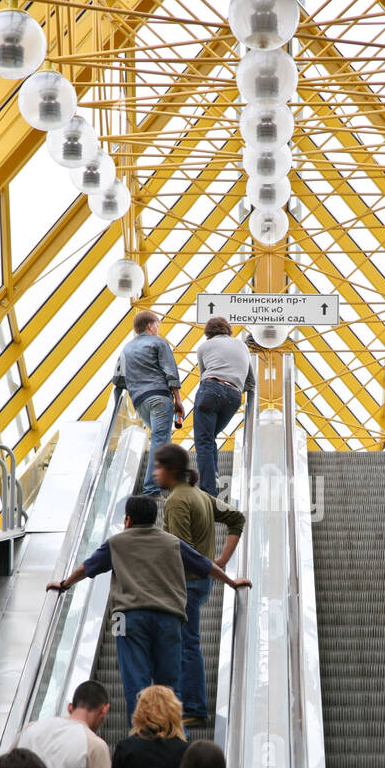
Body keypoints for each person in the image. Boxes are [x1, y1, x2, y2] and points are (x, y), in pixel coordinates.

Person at [46, 494, 251, 726]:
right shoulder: (172, 542)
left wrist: (64, 584)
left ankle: (142, 735)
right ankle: (172, 736)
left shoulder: (116, 543)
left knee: (136, 679)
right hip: (169, 617)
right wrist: (232, 582)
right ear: (155, 519)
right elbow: (205, 566)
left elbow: (88, 568)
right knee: (169, 684)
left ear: (128, 520)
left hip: (128, 617)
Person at [153, 442, 246, 724]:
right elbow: (236, 518)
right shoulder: (200, 495)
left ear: (170, 470)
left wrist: (217, 567)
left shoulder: (177, 501)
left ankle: (193, 706)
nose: (154, 473)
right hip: (199, 581)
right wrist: (220, 561)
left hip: (185, 583)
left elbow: (183, 550)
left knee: (185, 644)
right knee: (185, 642)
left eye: (158, 467)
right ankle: (189, 703)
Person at [113, 310, 185, 496]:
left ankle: (163, 484)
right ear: (150, 326)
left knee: (159, 438)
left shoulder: (126, 349)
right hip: (159, 398)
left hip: (139, 401)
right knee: (161, 442)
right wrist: (177, 400)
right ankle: (152, 490)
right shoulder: (158, 343)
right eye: (158, 326)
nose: (158, 330)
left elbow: (118, 380)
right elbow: (170, 372)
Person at [193, 316, 255, 496]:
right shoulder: (242, 346)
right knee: (210, 436)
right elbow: (251, 382)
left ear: (208, 333)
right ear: (228, 329)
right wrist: (232, 386)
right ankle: (213, 474)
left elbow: (203, 375)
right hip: (234, 395)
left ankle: (208, 492)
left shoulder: (204, 347)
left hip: (210, 389)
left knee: (203, 439)